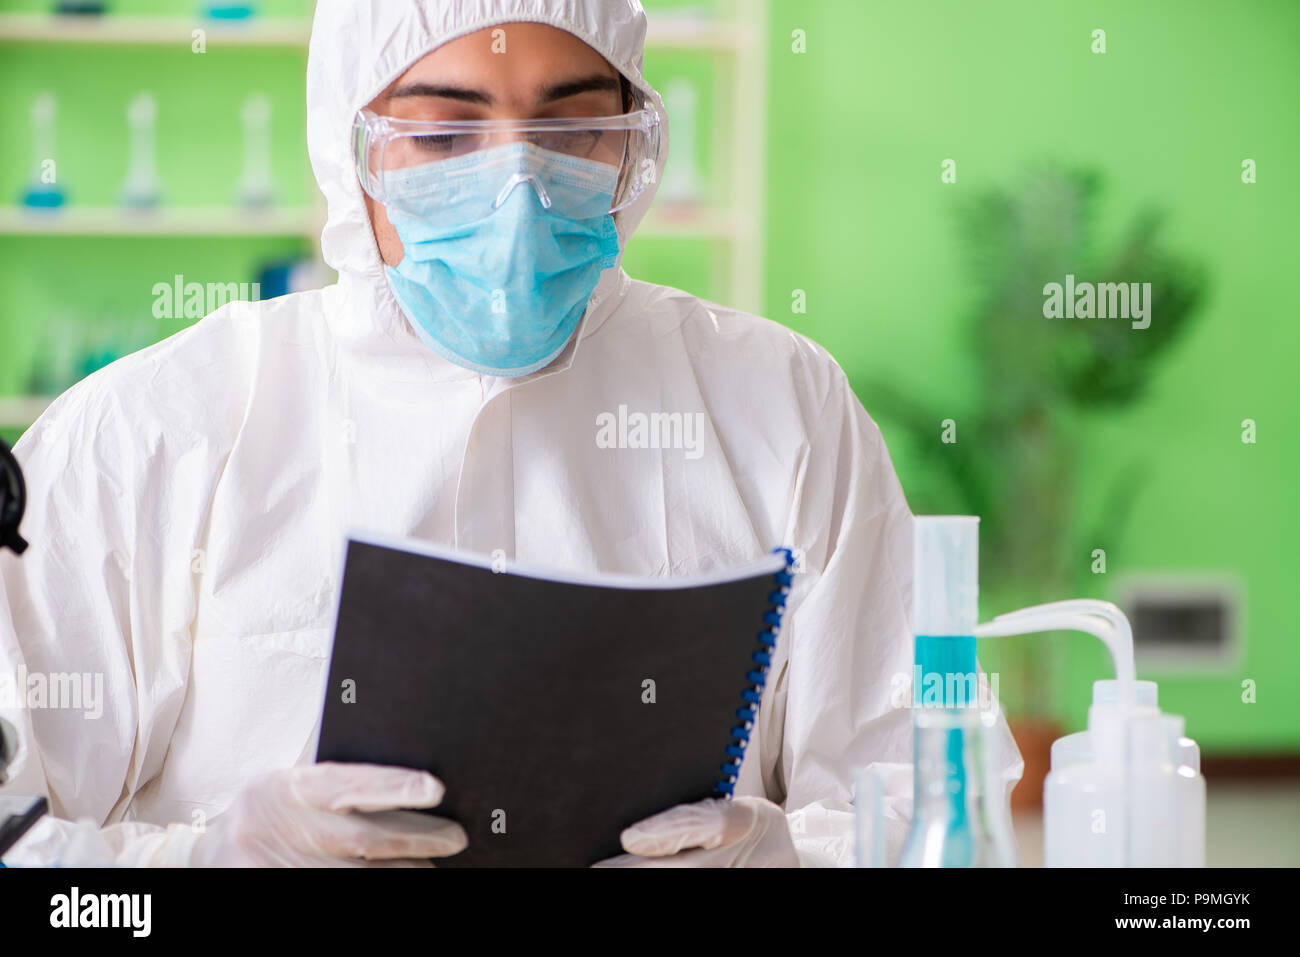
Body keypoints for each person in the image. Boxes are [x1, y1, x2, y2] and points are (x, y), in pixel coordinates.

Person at [0, 0, 1022, 867]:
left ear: (637, 143)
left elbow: (928, 814)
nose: (520, 194)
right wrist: (215, 858)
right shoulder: (151, 432)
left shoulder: (781, 407)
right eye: (445, 137)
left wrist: (790, 859)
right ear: (346, 144)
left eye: (574, 131)